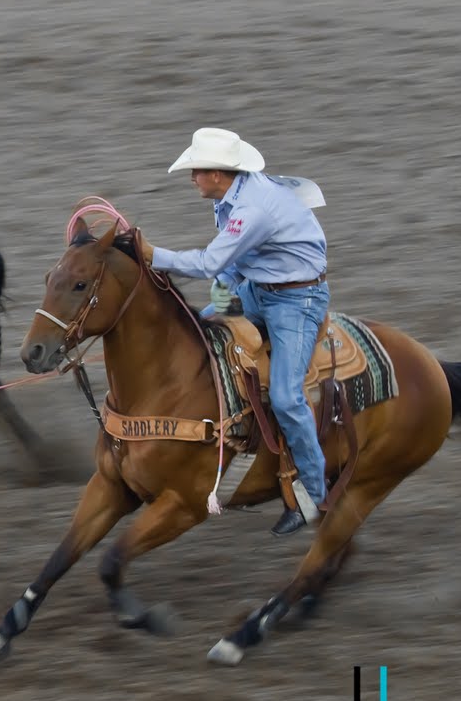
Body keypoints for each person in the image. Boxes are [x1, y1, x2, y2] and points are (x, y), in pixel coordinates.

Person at [138, 127, 331, 536]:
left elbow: (211, 261)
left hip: (298, 302)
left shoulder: (253, 208)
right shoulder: (230, 198)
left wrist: (154, 256)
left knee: (286, 397)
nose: (192, 178)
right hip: (257, 290)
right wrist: (223, 310)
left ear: (219, 173)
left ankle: (316, 496)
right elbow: (228, 266)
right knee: (196, 334)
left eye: (197, 170)